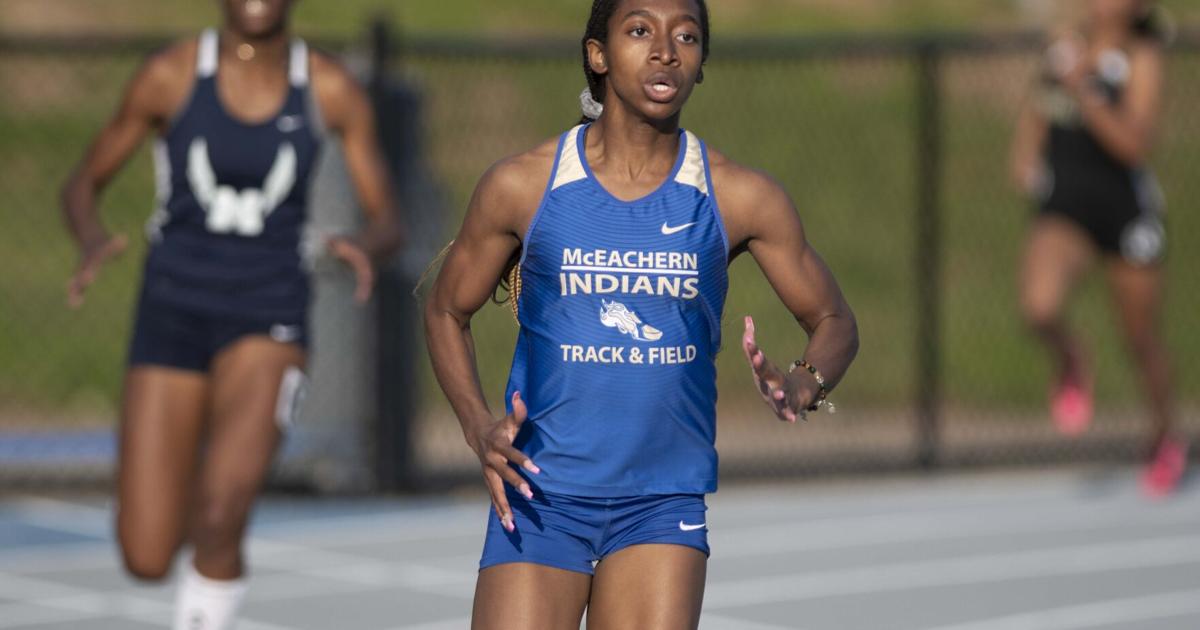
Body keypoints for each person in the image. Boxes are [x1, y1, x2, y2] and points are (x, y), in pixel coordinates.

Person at [424, 0, 858, 627]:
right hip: (540, 495)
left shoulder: (737, 195)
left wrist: (802, 383)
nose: (665, 50)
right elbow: (444, 309)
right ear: (598, 54)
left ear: (700, 63)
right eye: (639, 31)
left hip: (661, 504)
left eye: (686, 36)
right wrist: (476, 427)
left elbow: (835, 321)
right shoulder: (523, 185)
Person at [60, 0, 401, 627]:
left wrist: (365, 245)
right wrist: (89, 238)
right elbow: (83, 182)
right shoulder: (172, 75)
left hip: (269, 312)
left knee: (221, 512)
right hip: (173, 307)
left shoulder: (328, 88)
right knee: (145, 553)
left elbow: (388, 217)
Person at [1009, 0, 1183, 496]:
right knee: (1038, 305)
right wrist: (1025, 154)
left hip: (1123, 210)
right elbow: (1038, 108)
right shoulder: (1065, 45)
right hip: (1066, 206)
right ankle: (1072, 357)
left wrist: (1086, 88)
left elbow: (1133, 145)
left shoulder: (1140, 57)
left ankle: (1164, 433)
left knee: (1141, 339)